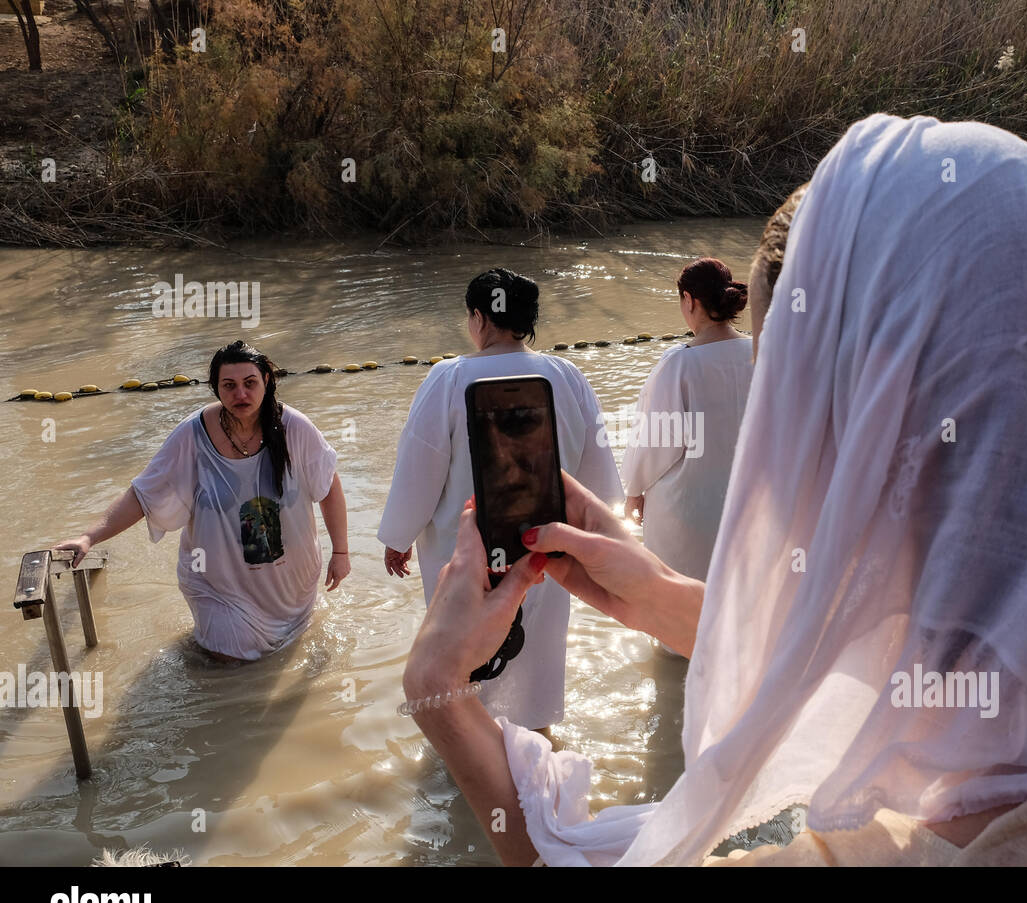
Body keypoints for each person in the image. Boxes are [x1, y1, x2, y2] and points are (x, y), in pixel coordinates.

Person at [397, 114, 1027, 866]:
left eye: (794, 394)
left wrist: (439, 688)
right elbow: (932, 665)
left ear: (873, 434)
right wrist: (663, 598)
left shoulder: (954, 847)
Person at [378, 268, 622, 731]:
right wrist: (593, 542)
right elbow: (597, 474)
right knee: (538, 647)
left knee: (466, 650)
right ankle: (535, 735)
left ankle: (473, 751)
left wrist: (398, 535)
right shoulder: (567, 375)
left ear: (479, 317)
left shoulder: (449, 378)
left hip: (467, 550)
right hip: (547, 546)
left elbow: (420, 464)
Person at [55, 341, 348, 662]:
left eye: (250, 383)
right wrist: (89, 537)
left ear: (266, 380)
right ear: (215, 388)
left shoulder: (295, 427)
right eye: (229, 386)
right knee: (227, 664)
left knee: (284, 660)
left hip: (290, 584)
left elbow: (328, 484)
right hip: (218, 585)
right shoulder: (192, 436)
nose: (241, 394)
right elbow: (142, 495)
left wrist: (341, 552)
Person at [622, 258, 754, 589]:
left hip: (689, 512)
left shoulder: (679, 364)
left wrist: (633, 491)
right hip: (754, 506)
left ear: (689, 300)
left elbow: (654, 443)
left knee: (683, 612)